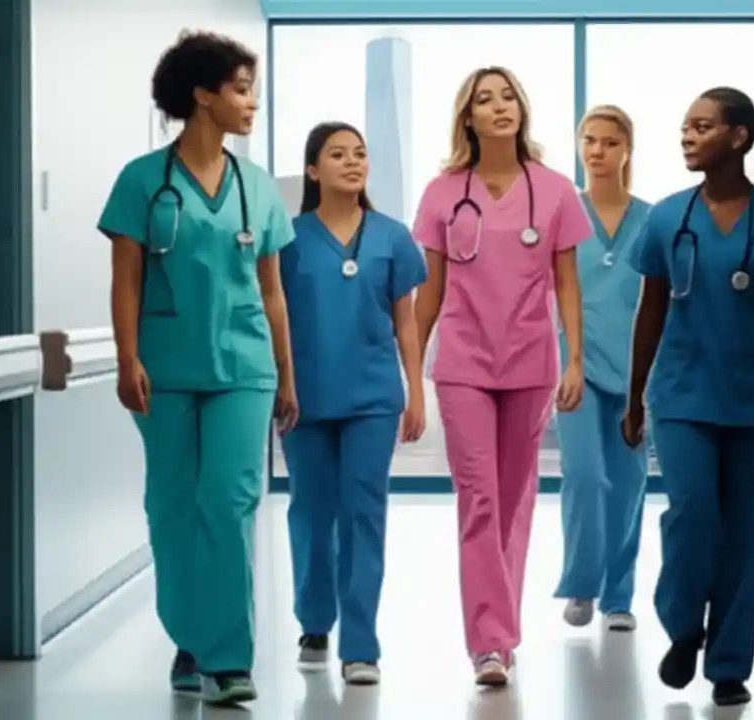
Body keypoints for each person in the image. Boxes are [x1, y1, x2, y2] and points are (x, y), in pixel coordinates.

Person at [98, 31, 296, 706]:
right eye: (241, 90)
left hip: (244, 365)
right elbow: (126, 280)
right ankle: (190, 636)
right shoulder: (142, 180)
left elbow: (273, 293)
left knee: (231, 502)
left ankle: (228, 658)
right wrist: (126, 357)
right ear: (203, 95)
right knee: (173, 505)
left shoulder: (257, 187)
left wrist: (287, 374)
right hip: (166, 365)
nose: (252, 103)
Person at [621, 87, 754, 708]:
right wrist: (634, 397)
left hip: (753, 400)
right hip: (682, 395)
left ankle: (730, 664)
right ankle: (684, 627)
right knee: (692, 516)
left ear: (738, 137)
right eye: (685, 126)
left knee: (744, 533)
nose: (687, 136)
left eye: (701, 126)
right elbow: (650, 311)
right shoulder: (668, 217)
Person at [411, 65, 590, 687]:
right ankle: (489, 643)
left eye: (508, 95)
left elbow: (567, 282)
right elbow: (429, 291)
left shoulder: (555, 189)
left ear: (522, 108)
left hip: (531, 362)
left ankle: (501, 630)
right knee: (479, 499)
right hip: (463, 363)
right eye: (485, 99)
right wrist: (410, 370)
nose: (499, 106)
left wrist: (575, 357)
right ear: (468, 117)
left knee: (514, 501)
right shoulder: (442, 192)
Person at [280, 122, 427, 686]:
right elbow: (274, 314)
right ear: (312, 170)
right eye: (337, 154)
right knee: (312, 512)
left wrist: (416, 391)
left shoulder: (393, 237)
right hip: (305, 398)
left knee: (365, 515)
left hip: (373, 398)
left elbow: (406, 322)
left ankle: (361, 644)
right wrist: (280, 383)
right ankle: (315, 620)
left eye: (359, 154)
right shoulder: (288, 239)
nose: (352, 162)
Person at [554, 105, 651, 633]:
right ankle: (582, 583)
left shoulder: (652, 220)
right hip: (577, 367)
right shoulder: (564, 216)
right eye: (589, 140)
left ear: (627, 149)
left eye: (610, 142)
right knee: (585, 475)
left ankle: (618, 596)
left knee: (629, 483)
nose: (597, 151)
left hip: (636, 373)